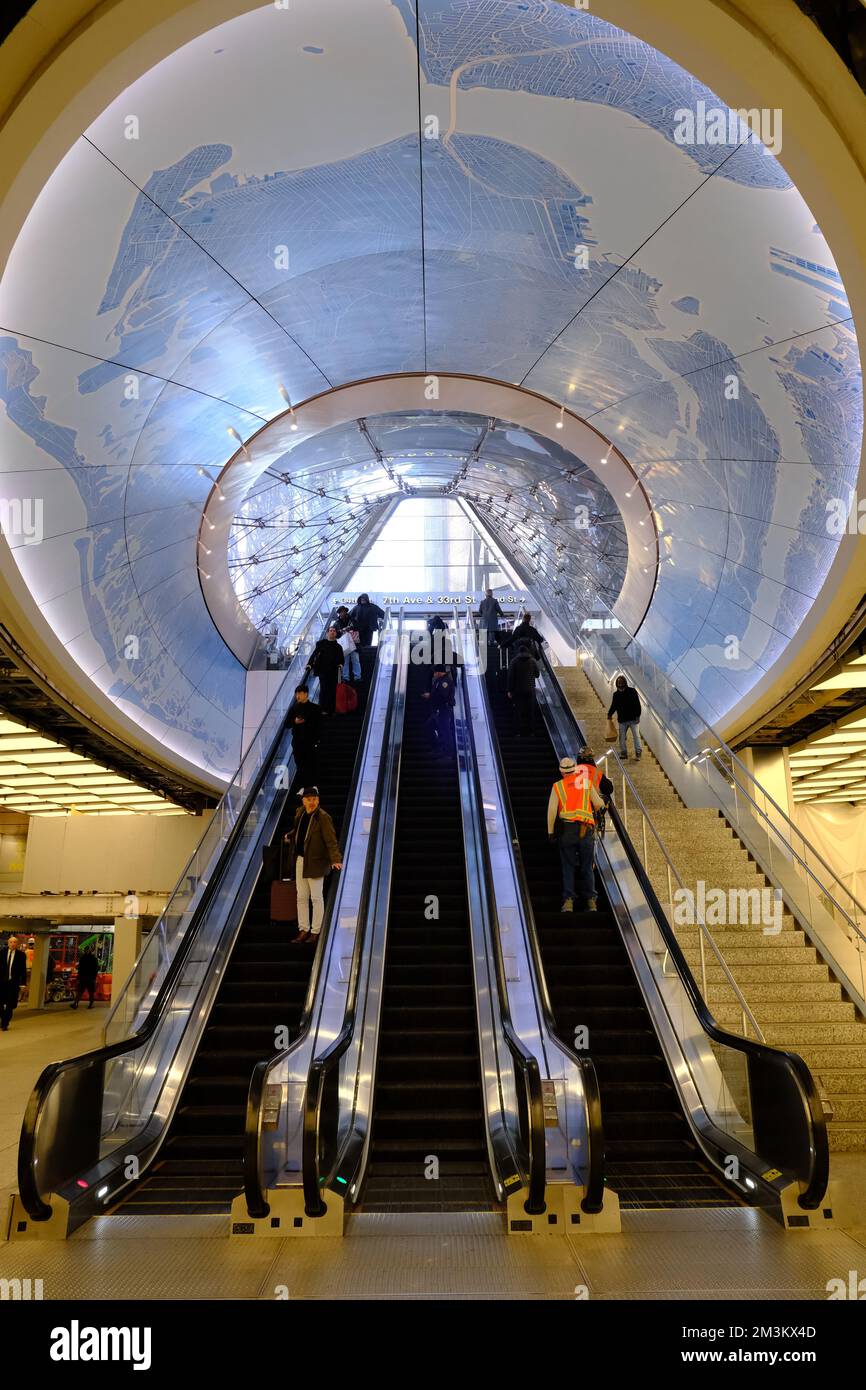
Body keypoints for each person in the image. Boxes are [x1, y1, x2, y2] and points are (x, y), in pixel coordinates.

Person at [547, 753, 606, 913]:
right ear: (574, 770)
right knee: (587, 866)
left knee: (568, 866)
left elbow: (552, 810)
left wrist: (551, 832)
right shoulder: (586, 783)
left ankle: (568, 902)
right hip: (586, 830)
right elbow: (599, 803)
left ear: (561, 772)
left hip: (567, 831)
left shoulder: (557, 786)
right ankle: (591, 902)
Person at [283, 788, 342, 944]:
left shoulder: (323, 817)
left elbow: (331, 840)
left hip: (316, 861)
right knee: (301, 897)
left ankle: (316, 932)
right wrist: (290, 835)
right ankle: (303, 930)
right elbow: (301, 831)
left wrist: (335, 858)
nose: (312, 802)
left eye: (315, 799)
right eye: (309, 799)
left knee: (316, 897)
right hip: (301, 859)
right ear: (303, 801)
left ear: (318, 800)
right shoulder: (300, 813)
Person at [286, 685, 322, 786]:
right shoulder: (293, 709)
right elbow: (287, 724)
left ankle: (313, 786)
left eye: (299, 693)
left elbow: (319, 725)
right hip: (298, 742)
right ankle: (303, 786)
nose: (297, 696)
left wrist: (317, 740)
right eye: (296, 694)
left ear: (306, 694)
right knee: (300, 765)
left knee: (311, 764)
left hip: (311, 742)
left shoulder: (315, 708)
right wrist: (295, 721)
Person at [306, 625, 344, 715]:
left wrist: (341, 665)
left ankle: (331, 709)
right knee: (324, 689)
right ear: (327, 633)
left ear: (336, 633)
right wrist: (309, 664)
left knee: (332, 690)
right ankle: (323, 709)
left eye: (334, 631)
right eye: (330, 630)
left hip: (334, 671)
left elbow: (342, 659)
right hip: (323, 670)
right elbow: (314, 654)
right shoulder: (321, 643)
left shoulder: (338, 647)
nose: (332, 632)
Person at [507, 641, 540, 737]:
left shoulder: (514, 661)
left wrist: (509, 690)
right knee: (531, 711)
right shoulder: (532, 661)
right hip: (530, 690)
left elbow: (510, 677)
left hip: (518, 690)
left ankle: (517, 732)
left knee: (518, 711)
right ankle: (532, 732)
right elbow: (537, 675)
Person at [608, 674, 642, 760]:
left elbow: (637, 704)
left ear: (625, 683)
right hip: (622, 720)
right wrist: (609, 714)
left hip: (633, 719)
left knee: (636, 736)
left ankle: (638, 753)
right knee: (621, 737)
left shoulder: (632, 691)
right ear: (616, 684)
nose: (620, 685)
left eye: (621, 683)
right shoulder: (616, 694)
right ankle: (624, 753)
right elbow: (614, 706)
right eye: (618, 683)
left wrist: (638, 716)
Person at [426, 665, 456, 755]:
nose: (434, 674)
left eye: (435, 672)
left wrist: (430, 696)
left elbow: (443, 696)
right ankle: (439, 748)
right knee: (429, 726)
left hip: (444, 710)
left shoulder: (445, 681)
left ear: (439, 672)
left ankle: (448, 752)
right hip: (438, 710)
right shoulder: (438, 681)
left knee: (445, 730)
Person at [0, 935, 27, 1030]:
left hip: (13, 983)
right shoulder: (2, 953)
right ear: (8, 943)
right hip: (2, 983)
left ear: (17, 944)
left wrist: (23, 984)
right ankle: (3, 1019)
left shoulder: (21, 955)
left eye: (15, 942)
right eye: (11, 942)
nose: (12, 944)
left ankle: (5, 1023)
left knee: (10, 1004)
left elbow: (23, 970)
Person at [71, 946, 99, 1010]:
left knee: (80, 991)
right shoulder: (94, 958)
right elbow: (96, 969)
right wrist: (94, 977)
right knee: (91, 992)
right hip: (91, 978)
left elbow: (80, 969)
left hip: (83, 977)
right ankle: (90, 1004)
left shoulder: (82, 958)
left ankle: (76, 1003)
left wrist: (78, 977)